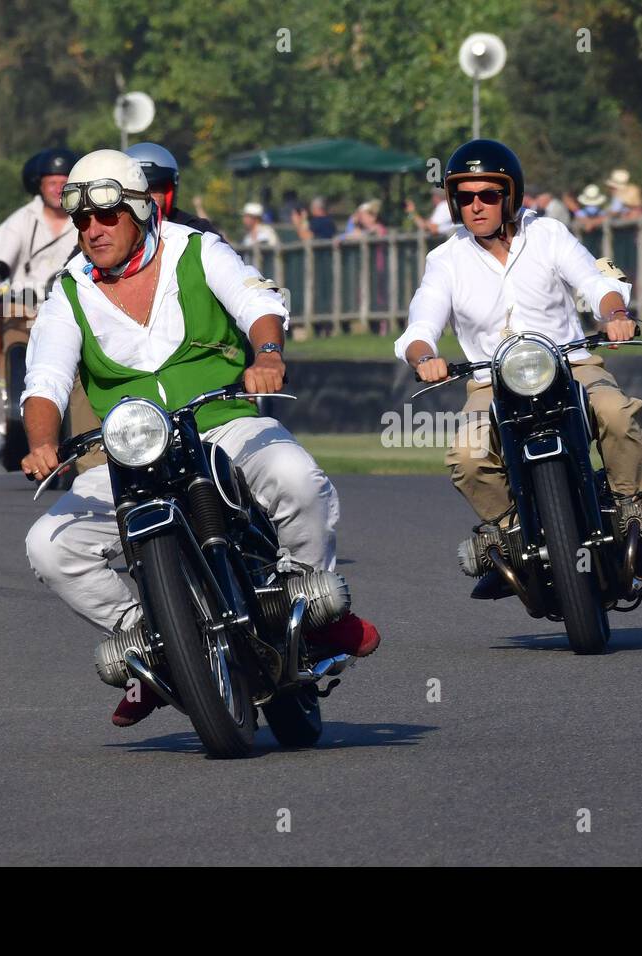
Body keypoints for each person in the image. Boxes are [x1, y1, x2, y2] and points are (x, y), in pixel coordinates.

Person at [20, 149, 379, 728]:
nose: (93, 230)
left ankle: (309, 607)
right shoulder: (68, 293)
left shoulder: (196, 249)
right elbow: (46, 380)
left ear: (138, 210)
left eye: (106, 216)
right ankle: (154, 646)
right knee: (50, 545)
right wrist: (41, 443)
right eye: (82, 220)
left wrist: (266, 355)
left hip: (224, 422)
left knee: (296, 478)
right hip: (134, 454)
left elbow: (258, 302)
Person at [395, 139, 642, 598]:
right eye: (464, 197)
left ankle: (629, 508)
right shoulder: (445, 261)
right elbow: (420, 325)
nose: (476, 206)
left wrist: (615, 315)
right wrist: (424, 357)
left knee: (618, 413)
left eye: (488, 195)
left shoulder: (548, 235)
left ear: (511, 196)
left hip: (569, 363)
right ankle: (510, 532)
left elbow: (595, 283)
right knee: (467, 456)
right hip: (491, 381)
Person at [0, 147, 79, 369]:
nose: (58, 189)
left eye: (65, 183)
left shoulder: (86, 220)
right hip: (24, 312)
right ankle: (6, 383)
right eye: (52, 183)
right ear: (40, 186)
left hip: (71, 312)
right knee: (5, 327)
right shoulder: (20, 221)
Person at [125, 142, 224, 236]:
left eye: (154, 189)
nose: (145, 197)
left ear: (168, 192)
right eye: (136, 191)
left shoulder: (197, 230)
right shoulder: (112, 229)